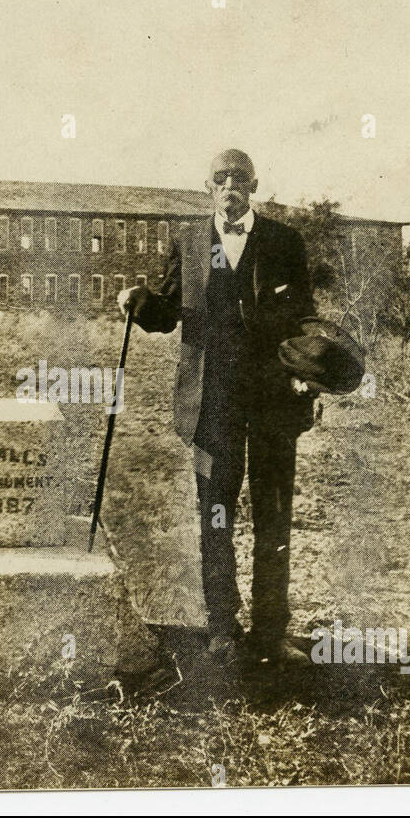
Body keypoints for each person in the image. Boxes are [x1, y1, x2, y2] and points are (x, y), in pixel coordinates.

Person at [118, 148, 317, 669]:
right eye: (221, 178)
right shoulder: (187, 243)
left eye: (241, 178)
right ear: (207, 185)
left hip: (273, 401)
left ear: (255, 185)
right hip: (213, 405)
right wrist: (134, 301)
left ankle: (271, 632)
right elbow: (165, 314)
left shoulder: (283, 242)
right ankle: (222, 628)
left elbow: (304, 321)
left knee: (274, 517)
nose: (231, 186)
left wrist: (306, 380)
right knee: (216, 516)